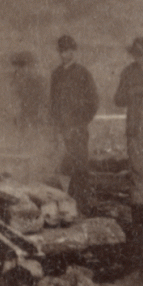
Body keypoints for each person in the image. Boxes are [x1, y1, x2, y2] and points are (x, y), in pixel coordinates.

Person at [114, 37, 143, 243]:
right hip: (136, 129)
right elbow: (118, 99)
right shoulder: (129, 71)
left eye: (142, 54)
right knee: (138, 173)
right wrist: (137, 91)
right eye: (136, 54)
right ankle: (139, 224)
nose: (139, 58)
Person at [50, 34, 99, 215]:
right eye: (62, 51)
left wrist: (79, 123)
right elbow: (53, 103)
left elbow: (93, 102)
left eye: (68, 51)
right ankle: (68, 206)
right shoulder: (56, 74)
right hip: (63, 130)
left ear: (74, 51)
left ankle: (82, 208)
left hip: (78, 129)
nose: (65, 55)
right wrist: (57, 127)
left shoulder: (83, 73)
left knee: (81, 168)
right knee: (64, 168)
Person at [9, 50, 44, 131]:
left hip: (32, 119)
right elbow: (13, 102)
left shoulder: (36, 83)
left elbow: (40, 103)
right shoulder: (14, 82)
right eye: (18, 66)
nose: (19, 69)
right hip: (19, 120)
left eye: (22, 66)